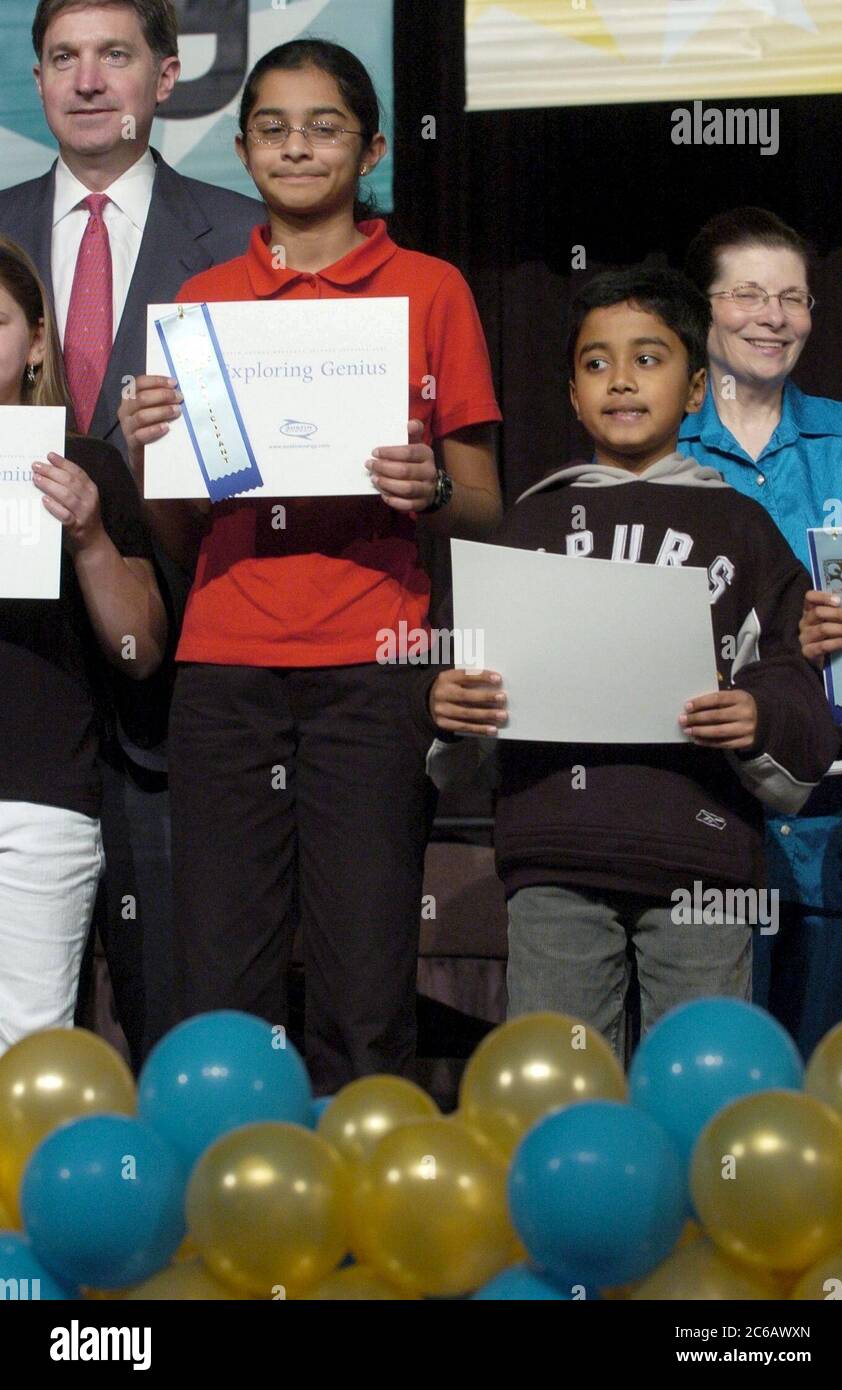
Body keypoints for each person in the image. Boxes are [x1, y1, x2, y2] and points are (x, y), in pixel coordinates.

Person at [119, 39, 502, 1092]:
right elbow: (181, 534)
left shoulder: (429, 291)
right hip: (226, 668)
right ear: (242, 149)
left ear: (372, 146)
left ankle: (362, 1222)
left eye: (324, 125)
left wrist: (425, 486)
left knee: (365, 981)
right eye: (274, 128)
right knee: (221, 979)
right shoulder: (203, 299)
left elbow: (485, 502)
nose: (298, 147)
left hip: (373, 669)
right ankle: (237, 1212)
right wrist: (154, 449)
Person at [415, 267, 838, 1060]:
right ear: (572, 395)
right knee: (556, 1088)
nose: (619, 380)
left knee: (703, 1084)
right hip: (554, 854)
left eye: (648, 358)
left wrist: (756, 714)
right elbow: (459, 669)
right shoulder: (527, 525)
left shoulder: (739, 526)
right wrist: (448, 701)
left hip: (700, 855)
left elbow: (789, 670)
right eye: (595, 362)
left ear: (695, 389)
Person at [0, 0, 263, 1064]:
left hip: (193, 676)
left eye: (116, 55)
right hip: (21, 688)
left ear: (167, 76)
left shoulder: (247, 238)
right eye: (64, 57)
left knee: (180, 1009)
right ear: (37, 80)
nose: (89, 79)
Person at [680, 207, 842, 1058]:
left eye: (792, 298)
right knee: (707, 1074)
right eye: (747, 294)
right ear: (702, 310)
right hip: (699, 806)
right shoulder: (658, 451)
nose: (772, 316)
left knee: (804, 1077)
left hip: (835, 813)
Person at [0, 236, 166, 1056]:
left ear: (36, 342)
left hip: (37, 802)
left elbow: (140, 650)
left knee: (25, 1059)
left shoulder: (87, 462)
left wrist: (92, 534)